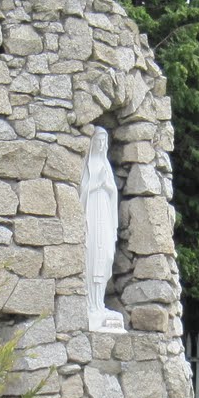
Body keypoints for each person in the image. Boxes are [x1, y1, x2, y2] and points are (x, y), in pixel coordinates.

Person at [79, 127, 122, 331]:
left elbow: (113, 192)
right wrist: (97, 184)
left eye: (105, 142)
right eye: (98, 141)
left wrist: (108, 186)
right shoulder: (88, 165)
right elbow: (83, 192)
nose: (102, 145)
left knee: (105, 256)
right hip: (92, 215)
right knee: (91, 255)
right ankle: (90, 305)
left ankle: (100, 303)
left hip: (104, 214)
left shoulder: (106, 165)